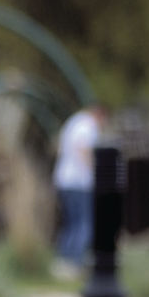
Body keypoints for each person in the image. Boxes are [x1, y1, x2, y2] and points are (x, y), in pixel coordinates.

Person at [53, 104, 106, 268]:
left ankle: (63, 259)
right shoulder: (88, 125)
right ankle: (75, 262)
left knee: (71, 222)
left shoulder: (73, 122)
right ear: (100, 115)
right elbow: (83, 149)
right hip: (79, 181)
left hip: (64, 179)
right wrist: (96, 172)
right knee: (84, 223)